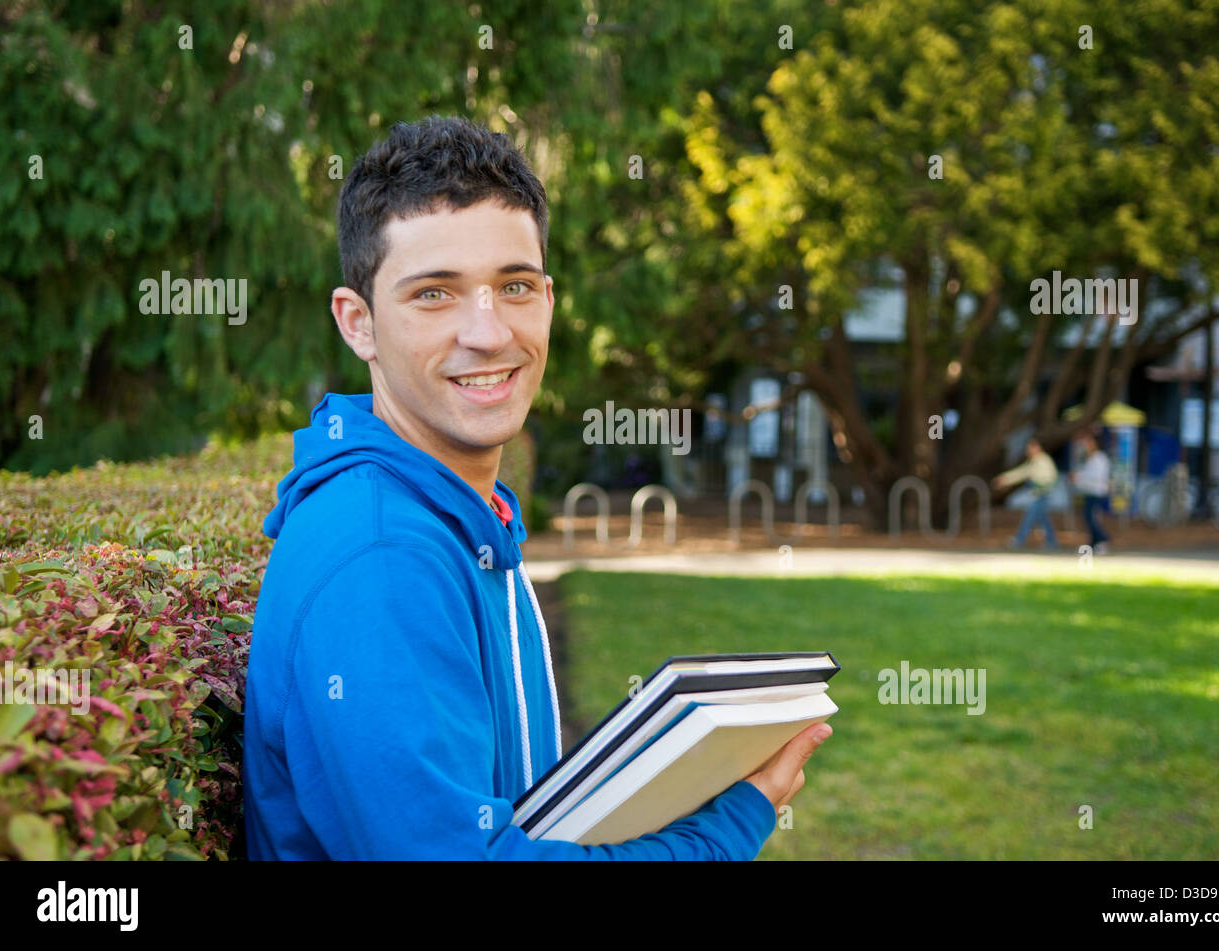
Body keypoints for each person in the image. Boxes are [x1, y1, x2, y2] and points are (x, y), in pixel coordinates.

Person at [243, 116, 831, 860]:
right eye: (434, 294)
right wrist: (727, 826)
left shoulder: (461, 513)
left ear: (548, 301)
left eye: (513, 286)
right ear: (357, 323)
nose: (488, 332)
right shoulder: (381, 557)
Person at [991, 437, 1060, 550]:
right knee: (1043, 519)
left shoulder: (1043, 461)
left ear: (1037, 447)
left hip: (1042, 495)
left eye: (1030, 448)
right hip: (1039, 494)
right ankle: (1051, 542)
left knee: (1030, 517)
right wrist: (1005, 479)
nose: (1028, 450)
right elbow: (1021, 473)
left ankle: (1019, 540)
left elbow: (1051, 478)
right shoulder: (1034, 462)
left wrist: (1040, 485)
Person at [1071, 431, 1112, 554]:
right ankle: (1094, 544)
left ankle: (1103, 538)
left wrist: (1079, 477)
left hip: (1096, 492)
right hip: (1089, 491)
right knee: (1089, 518)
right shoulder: (1090, 458)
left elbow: (1096, 476)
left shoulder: (1099, 458)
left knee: (1090, 517)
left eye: (1088, 442)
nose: (1086, 445)